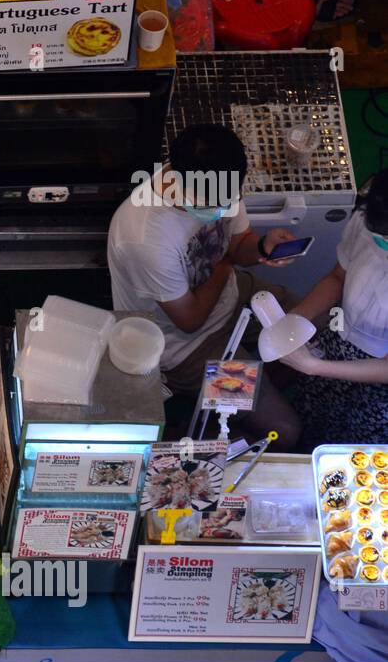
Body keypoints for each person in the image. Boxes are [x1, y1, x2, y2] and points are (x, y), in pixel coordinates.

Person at [107, 124, 304, 447]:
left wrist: (262, 247)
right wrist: (226, 263)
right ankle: (199, 429)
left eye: (231, 199)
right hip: (188, 348)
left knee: (314, 323)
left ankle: (244, 397)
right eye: (215, 204)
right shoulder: (144, 237)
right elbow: (189, 321)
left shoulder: (219, 184)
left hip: (232, 294)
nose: (225, 209)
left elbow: (238, 243)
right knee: (284, 430)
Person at [275, 172, 388, 449]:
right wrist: (297, 318)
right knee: (313, 418)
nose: (380, 244)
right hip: (339, 341)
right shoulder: (368, 220)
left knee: (351, 450)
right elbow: (338, 277)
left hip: (377, 382)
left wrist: (315, 366)